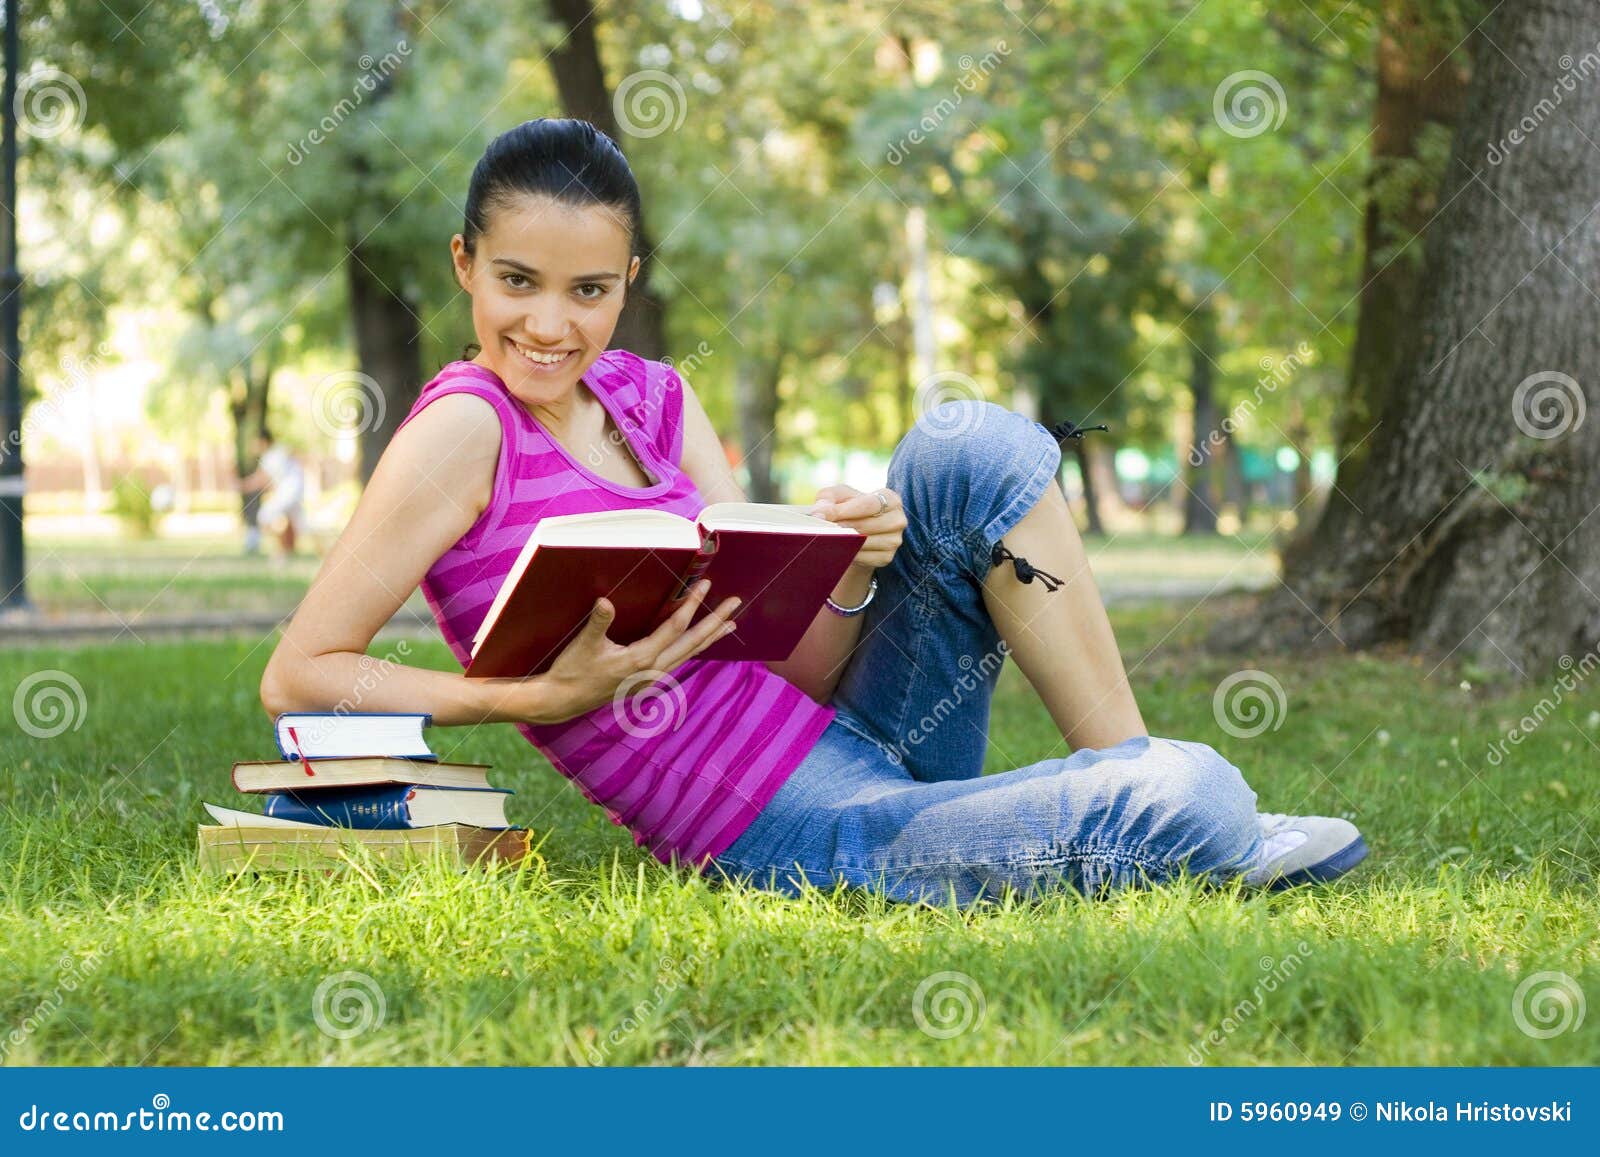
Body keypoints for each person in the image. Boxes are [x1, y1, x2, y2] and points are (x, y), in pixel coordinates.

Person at [259, 118, 1369, 906]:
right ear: (463, 266)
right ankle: (1167, 807)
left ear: (626, 280)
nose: (550, 324)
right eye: (517, 281)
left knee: (965, 443)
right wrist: (534, 694)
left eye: (588, 290)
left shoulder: (657, 398)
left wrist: (843, 567)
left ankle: (1128, 775)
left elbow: (797, 656)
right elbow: (301, 670)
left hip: (862, 738)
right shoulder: (463, 432)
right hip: (781, 829)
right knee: (1197, 792)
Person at [238, 427, 307, 557]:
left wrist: (240, 485)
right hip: (296, 490)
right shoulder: (280, 450)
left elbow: (260, 480)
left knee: (265, 516)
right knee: (301, 523)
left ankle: (281, 550)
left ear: (263, 442)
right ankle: (290, 550)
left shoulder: (270, 456)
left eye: (256, 443)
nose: (254, 447)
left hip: (289, 491)